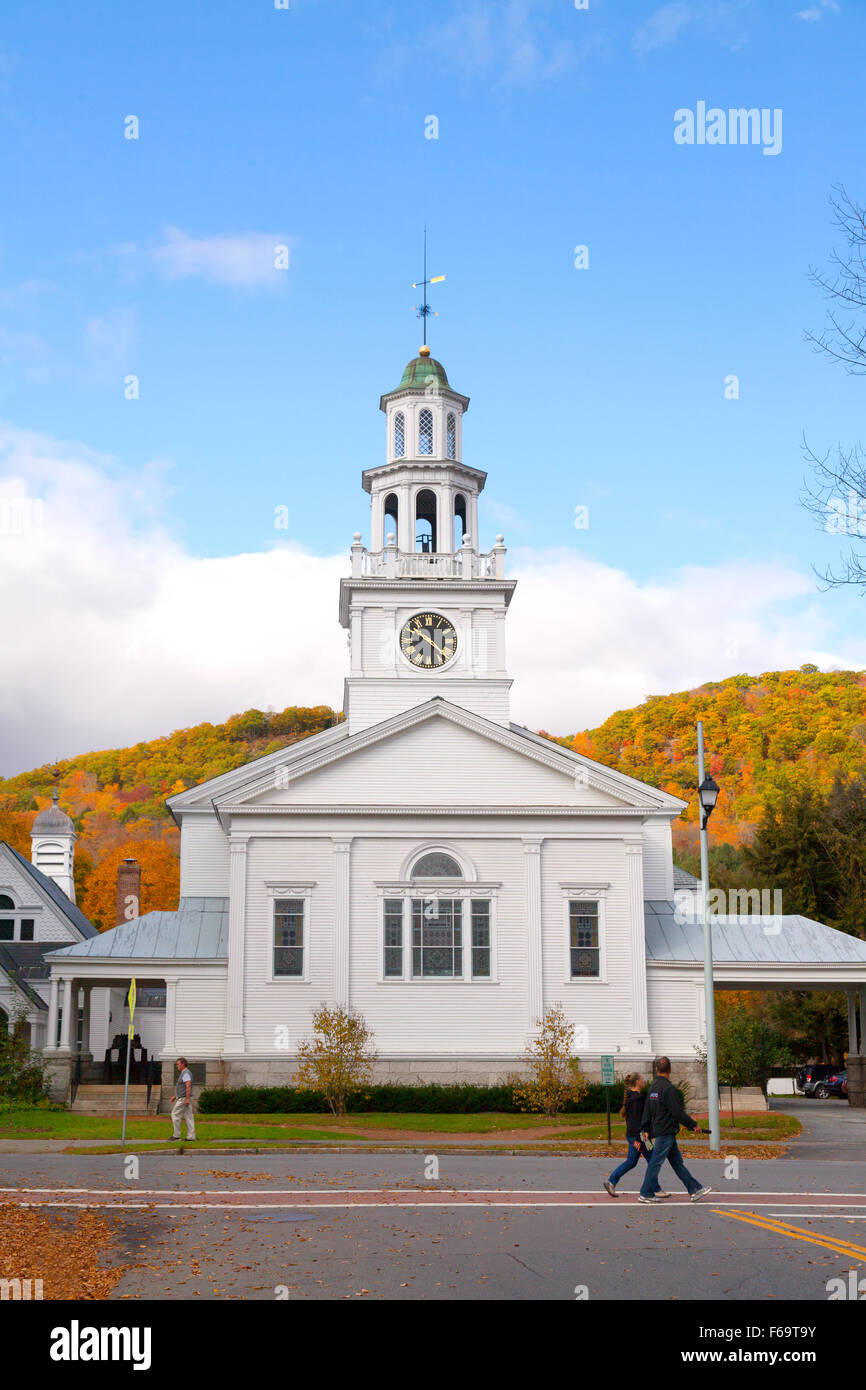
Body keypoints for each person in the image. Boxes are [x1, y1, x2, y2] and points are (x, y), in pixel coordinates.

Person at [637, 1056, 711, 1204]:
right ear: (670, 1070)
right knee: (656, 1163)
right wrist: (693, 1125)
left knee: (677, 1163)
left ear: (657, 1070)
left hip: (659, 1130)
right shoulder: (669, 1089)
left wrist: (645, 1128)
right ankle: (645, 1193)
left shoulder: (652, 1088)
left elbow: (647, 1110)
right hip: (666, 1131)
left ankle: (694, 1190)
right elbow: (677, 1112)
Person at [603, 1072, 669, 1199]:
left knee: (637, 1161)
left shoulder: (631, 1097)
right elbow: (637, 1121)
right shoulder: (637, 1098)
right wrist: (638, 1139)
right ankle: (655, 1189)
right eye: (642, 1079)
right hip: (640, 1136)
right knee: (651, 1160)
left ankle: (612, 1182)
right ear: (637, 1082)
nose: (644, 1081)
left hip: (637, 1136)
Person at [169, 1056, 196, 1141]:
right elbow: (183, 1087)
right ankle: (191, 1137)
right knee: (189, 1117)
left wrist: (187, 1099)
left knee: (175, 1114)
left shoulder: (186, 1073)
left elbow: (188, 1086)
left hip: (184, 1099)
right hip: (184, 1097)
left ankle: (176, 1136)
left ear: (183, 1064)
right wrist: (175, 1096)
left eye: (178, 1064)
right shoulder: (185, 1073)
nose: (177, 1066)